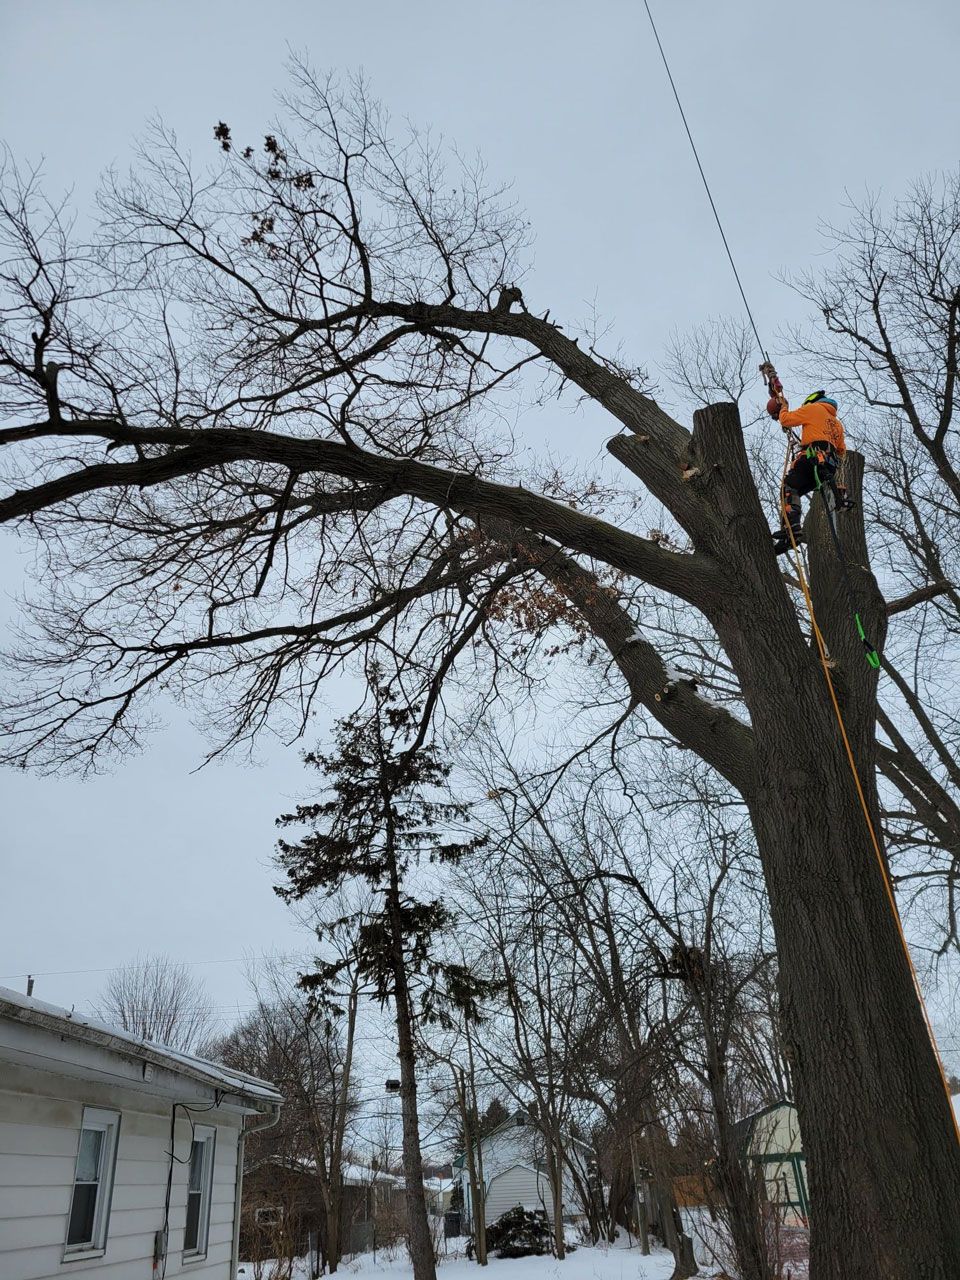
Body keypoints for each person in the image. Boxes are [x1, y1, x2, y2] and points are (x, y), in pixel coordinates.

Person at [767, 390, 849, 555]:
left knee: (789, 486)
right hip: (828, 466)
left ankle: (792, 530)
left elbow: (786, 420)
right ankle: (789, 535)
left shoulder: (813, 409)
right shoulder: (836, 423)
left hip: (812, 459)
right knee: (794, 490)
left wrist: (783, 408)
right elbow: (841, 452)